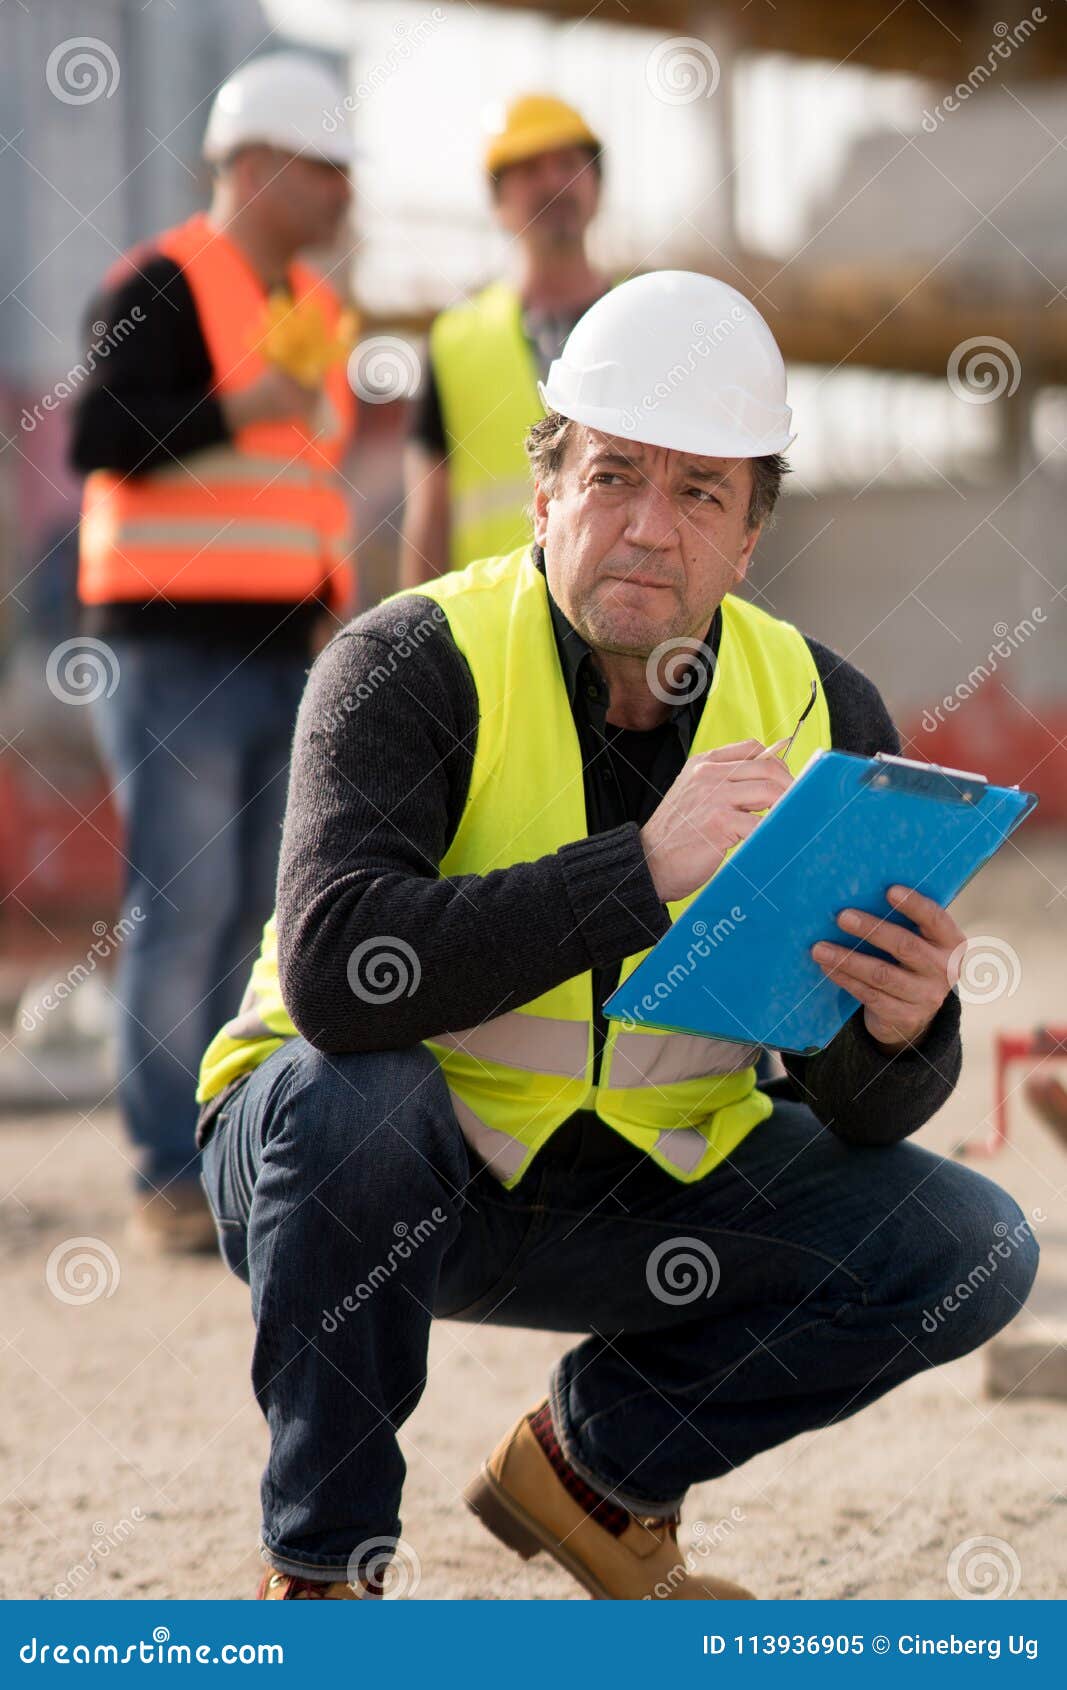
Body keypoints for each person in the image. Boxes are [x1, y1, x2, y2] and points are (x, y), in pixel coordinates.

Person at [195, 272, 1039, 1601]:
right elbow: (340, 972)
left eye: (698, 492)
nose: (647, 527)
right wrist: (637, 871)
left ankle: (593, 1472)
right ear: (545, 495)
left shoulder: (819, 712)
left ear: (748, 537)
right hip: (360, 1176)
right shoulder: (408, 661)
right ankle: (323, 1567)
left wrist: (902, 1026)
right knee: (356, 1099)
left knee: (972, 1246)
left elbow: (861, 1112)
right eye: (612, 476)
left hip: (634, 1187)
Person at [68, 53, 358, 1253]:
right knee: (184, 910)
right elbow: (95, 434)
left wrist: (336, 613)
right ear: (259, 166)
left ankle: (231, 1153)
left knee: (258, 913)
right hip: (173, 649)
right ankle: (167, 1174)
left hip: (286, 649)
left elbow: (306, 486)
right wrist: (244, 406)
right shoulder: (162, 285)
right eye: (326, 170)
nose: (343, 194)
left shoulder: (314, 311)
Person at [399, 94, 610, 584]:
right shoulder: (455, 341)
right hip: (493, 615)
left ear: (597, 185)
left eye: (567, 164)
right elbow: (429, 515)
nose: (553, 182)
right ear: (497, 202)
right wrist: (414, 626)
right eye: (530, 170)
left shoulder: (648, 324)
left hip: (625, 612)